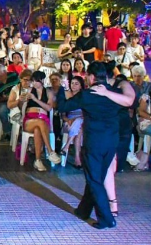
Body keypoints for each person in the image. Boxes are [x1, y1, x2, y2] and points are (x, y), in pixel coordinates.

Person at [55, 62, 134, 229]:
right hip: (112, 141)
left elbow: (62, 106)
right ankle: (83, 210)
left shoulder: (87, 94)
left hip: (94, 142)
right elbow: (128, 101)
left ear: (90, 77)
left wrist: (62, 89)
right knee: (96, 176)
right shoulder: (115, 93)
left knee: (94, 179)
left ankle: (106, 219)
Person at [9, 70, 61, 171]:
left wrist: (36, 99)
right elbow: (21, 107)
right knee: (39, 123)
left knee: (38, 129)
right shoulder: (29, 91)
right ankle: (50, 151)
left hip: (43, 118)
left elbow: (49, 108)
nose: (33, 83)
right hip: (30, 119)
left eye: (35, 81)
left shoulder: (49, 92)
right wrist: (21, 100)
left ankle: (37, 161)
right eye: (32, 81)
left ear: (41, 80)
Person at [61, 76, 86, 168]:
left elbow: (87, 113)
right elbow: (63, 114)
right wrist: (68, 120)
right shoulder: (66, 95)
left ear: (80, 86)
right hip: (69, 121)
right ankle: (77, 158)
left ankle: (67, 146)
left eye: (76, 84)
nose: (74, 85)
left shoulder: (84, 96)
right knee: (78, 129)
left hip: (82, 119)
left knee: (79, 121)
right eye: (72, 83)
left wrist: (77, 118)